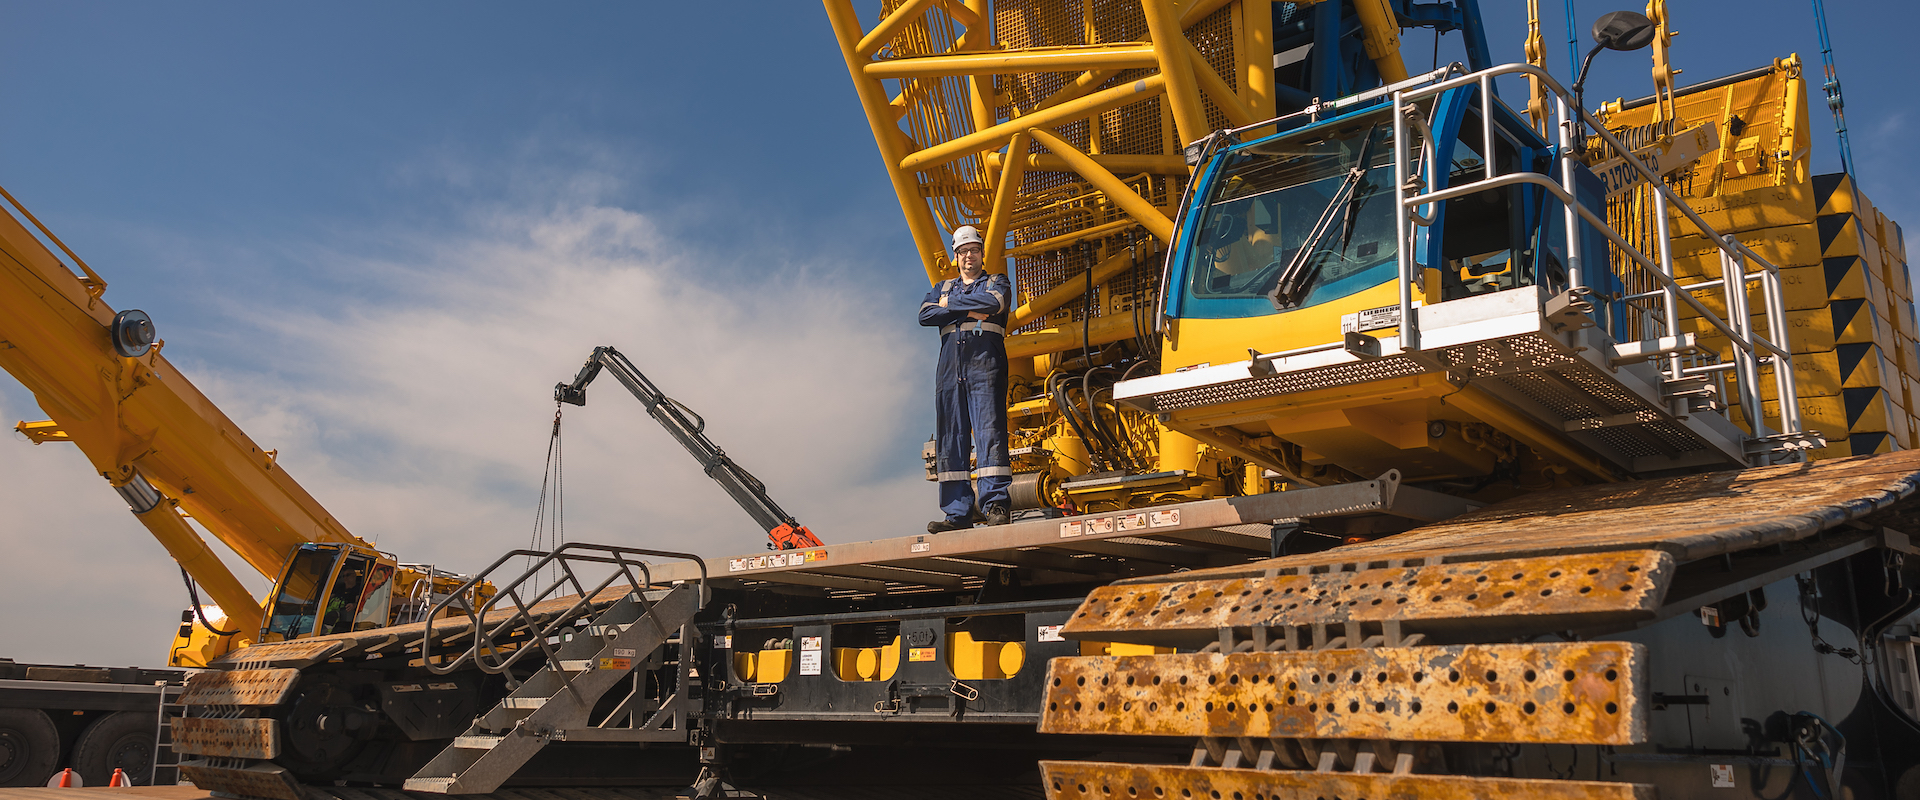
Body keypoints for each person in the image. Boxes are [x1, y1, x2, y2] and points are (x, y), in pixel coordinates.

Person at [918, 225, 1012, 532]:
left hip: (984, 366)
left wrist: (950, 308)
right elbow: (925, 316)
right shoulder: (942, 288)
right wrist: (968, 309)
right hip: (949, 371)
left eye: (973, 251)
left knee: (989, 433)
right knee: (950, 439)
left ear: (981, 254)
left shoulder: (997, 282)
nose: (968, 257)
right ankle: (957, 514)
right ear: (955, 257)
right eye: (962, 252)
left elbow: (994, 303)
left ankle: (995, 504)